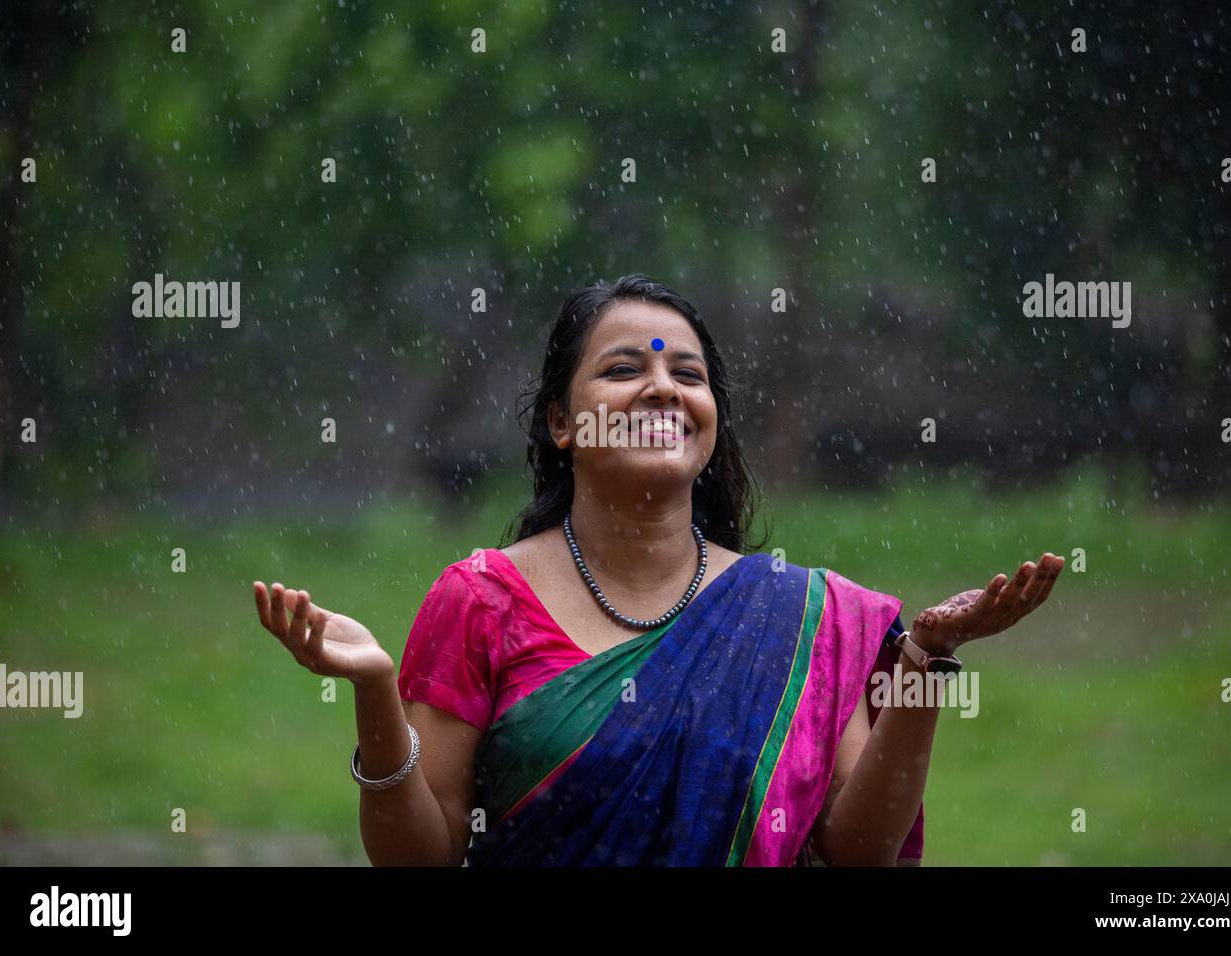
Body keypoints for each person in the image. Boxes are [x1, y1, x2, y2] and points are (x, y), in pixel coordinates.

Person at [252, 273, 1063, 866]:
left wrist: (924, 661)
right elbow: (416, 860)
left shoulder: (798, 616)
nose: (661, 390)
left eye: (688, 375)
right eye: (622, 370)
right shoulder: (482, 601)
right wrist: (372, 692)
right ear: (562, 423)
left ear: (712, 419)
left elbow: (857, 852)